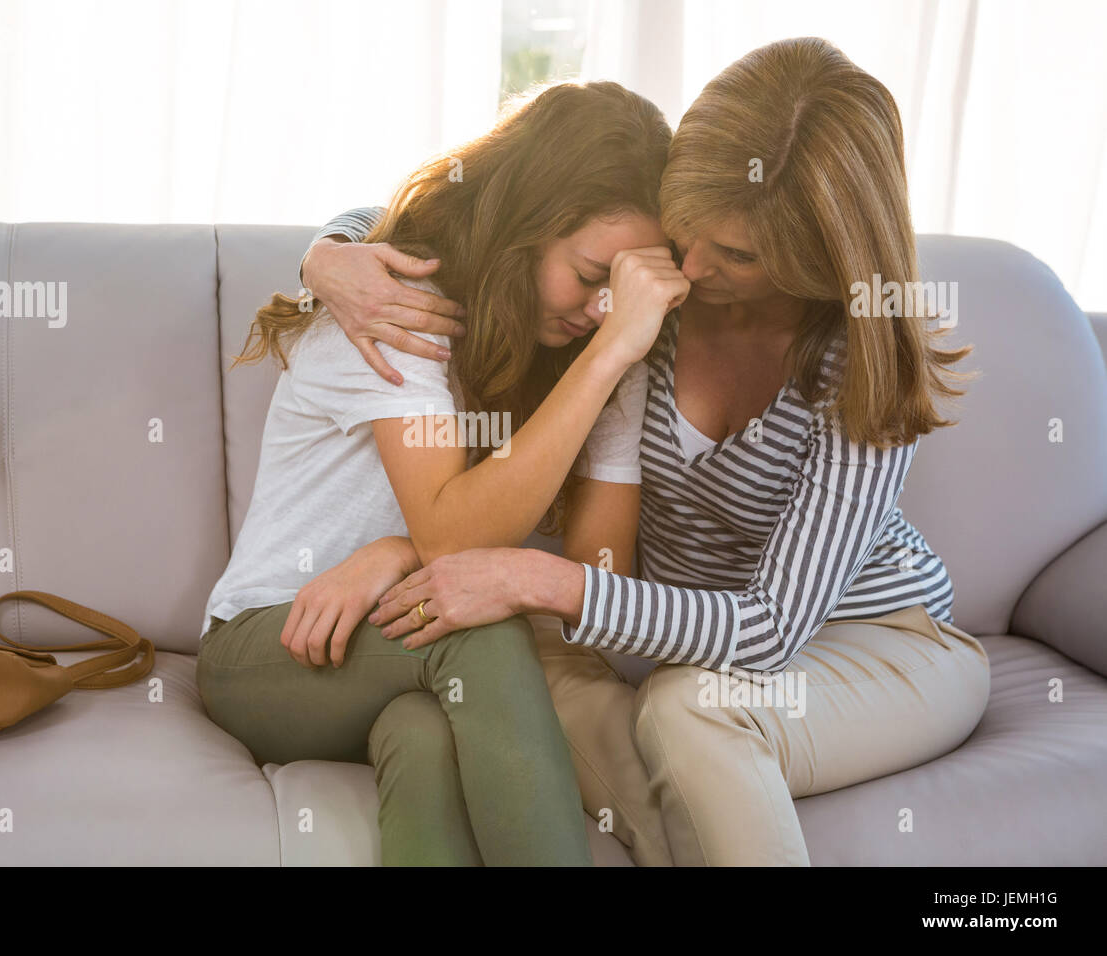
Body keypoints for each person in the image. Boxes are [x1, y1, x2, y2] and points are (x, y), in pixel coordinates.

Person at [297, 37, 991, 866]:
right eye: (688, 228)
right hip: (677, 658)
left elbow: (770, 632)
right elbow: (490, 203)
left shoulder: (859, 357)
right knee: (517, 666)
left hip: (877, 643)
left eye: (738, 256)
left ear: (819, 256)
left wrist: (533, 576)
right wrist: (329, 255)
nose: (691, 266)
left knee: (689, 710)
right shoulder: (642, 300)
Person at [197, 79, 690, 865]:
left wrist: (397, 554)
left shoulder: (608, 348)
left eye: (622, 293)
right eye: (591, 274)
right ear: (526, 227)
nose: (605, 310)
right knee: (477, 634)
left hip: (396, 658)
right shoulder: (398, 310)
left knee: (425, 735)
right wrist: (606, 357)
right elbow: (453, 540)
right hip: (271, 645)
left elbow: (599, 582)